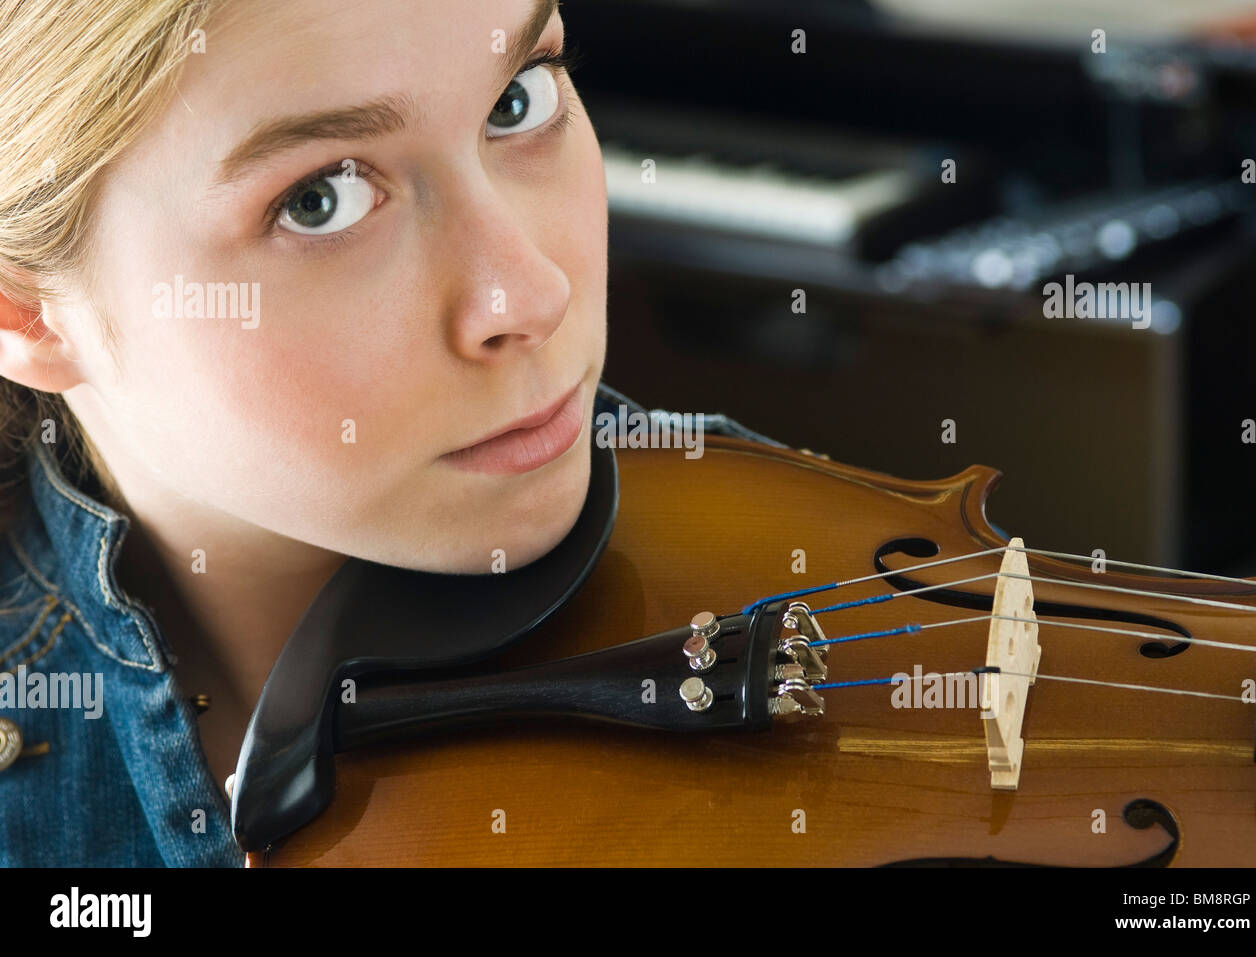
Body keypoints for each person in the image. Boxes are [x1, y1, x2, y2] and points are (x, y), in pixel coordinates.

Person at [0, 0, 782, 866]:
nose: (532, 295)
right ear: (24, 313)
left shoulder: (785, 546)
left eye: (517, 99)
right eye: (319, 198)